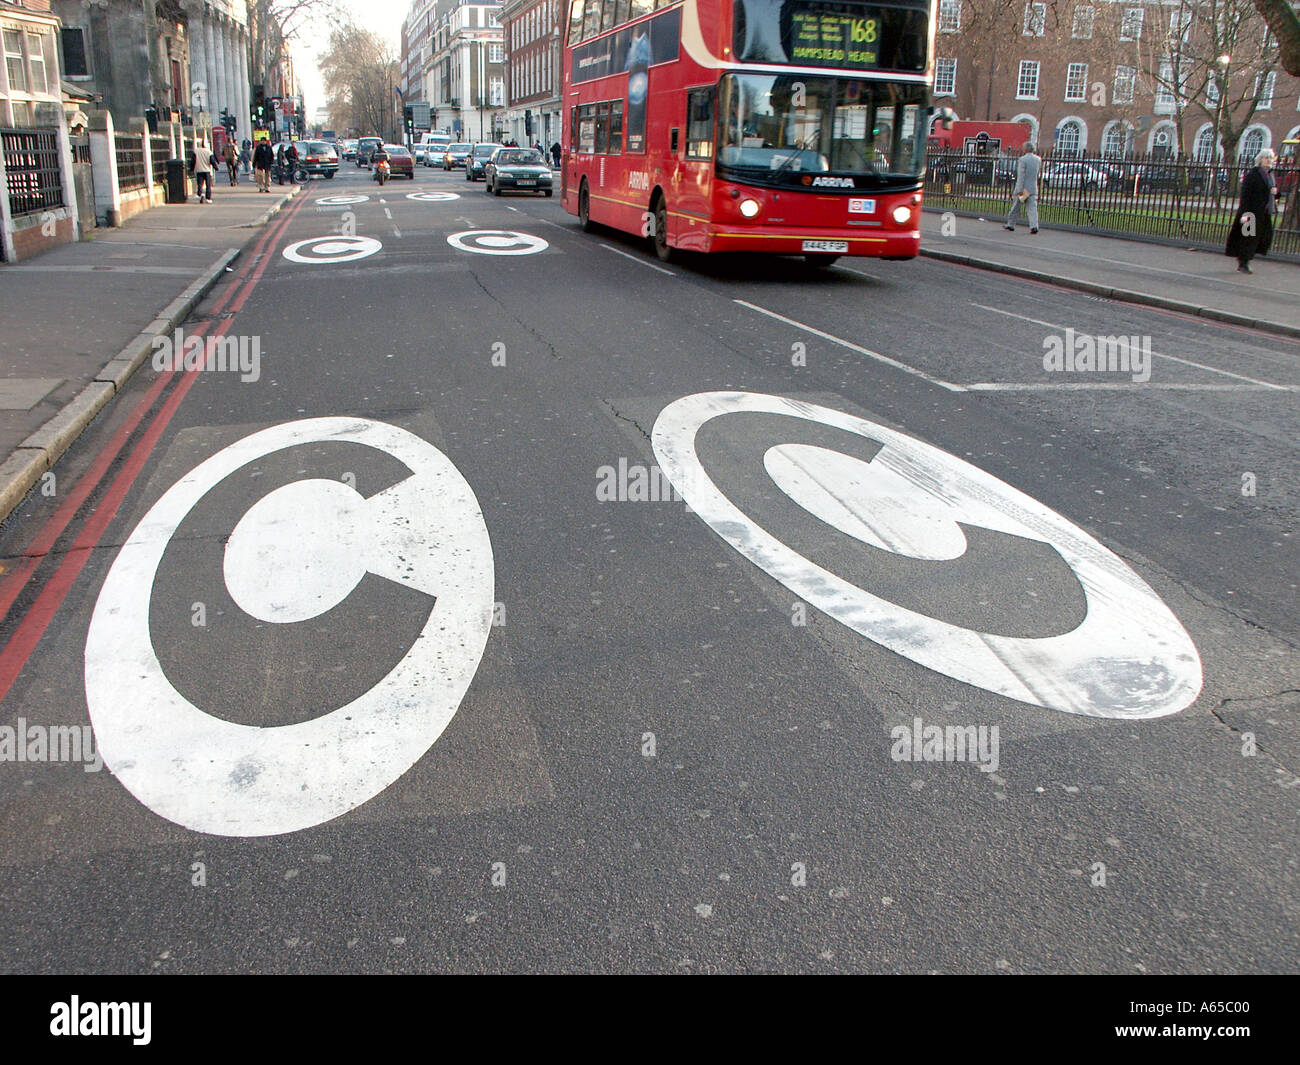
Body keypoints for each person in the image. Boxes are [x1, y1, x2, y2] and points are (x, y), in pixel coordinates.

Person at [1225, 149, 1278, 274]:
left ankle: (1246, 259)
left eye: (1270, 158)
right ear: (1260, 160)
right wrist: (1244, 213)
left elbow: (1273, 192)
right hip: (1251, 212)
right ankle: (1243, 262)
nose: (1269, 160)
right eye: (1266, 158)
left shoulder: (1270, 174)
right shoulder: (1253, 175)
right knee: (1248, 238)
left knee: (1262, 237)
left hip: (1264, 212)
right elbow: (1246, 195)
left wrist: (1276, 194)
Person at [1003, 142, 1041, 234]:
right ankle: (1034, 226)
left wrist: (1018, 189)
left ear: (1026, 149)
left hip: (1023, 189)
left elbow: (1021, 176)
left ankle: (1011, 224)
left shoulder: (1023, 160)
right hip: (1032, 187)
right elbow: (1037, 173)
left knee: (1016, 206)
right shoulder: (1038, 159)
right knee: (1032, 208)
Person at [191, 137, 215, 203]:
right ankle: (208, 198)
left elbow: (193, 161)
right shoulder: (208, 151)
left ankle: (200, 193)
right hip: (207, 170)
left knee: (199, 184)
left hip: (198, 170)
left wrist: (192, 169)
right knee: (208, 185)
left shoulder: (196, 151)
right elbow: (212, 161)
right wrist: (215, 167)